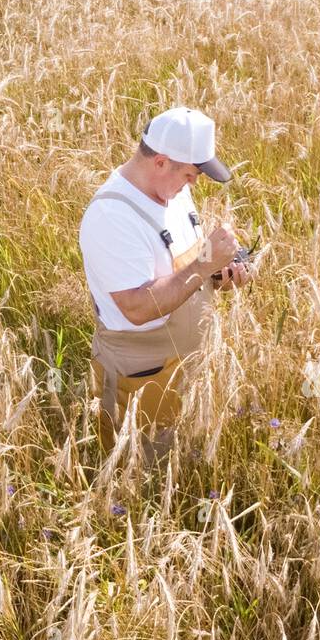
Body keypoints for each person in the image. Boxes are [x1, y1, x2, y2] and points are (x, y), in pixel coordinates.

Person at [79, 106, 253, 459]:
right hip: (144, 377)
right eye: (190, 175)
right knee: (141, 473)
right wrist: (205, 263)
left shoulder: (173, 191)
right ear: (160, 162)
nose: (194, 184)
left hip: (187, 365)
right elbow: (136, 307)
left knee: (184, 458)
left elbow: (180, 270)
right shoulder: (112, 216)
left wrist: (221, 274)